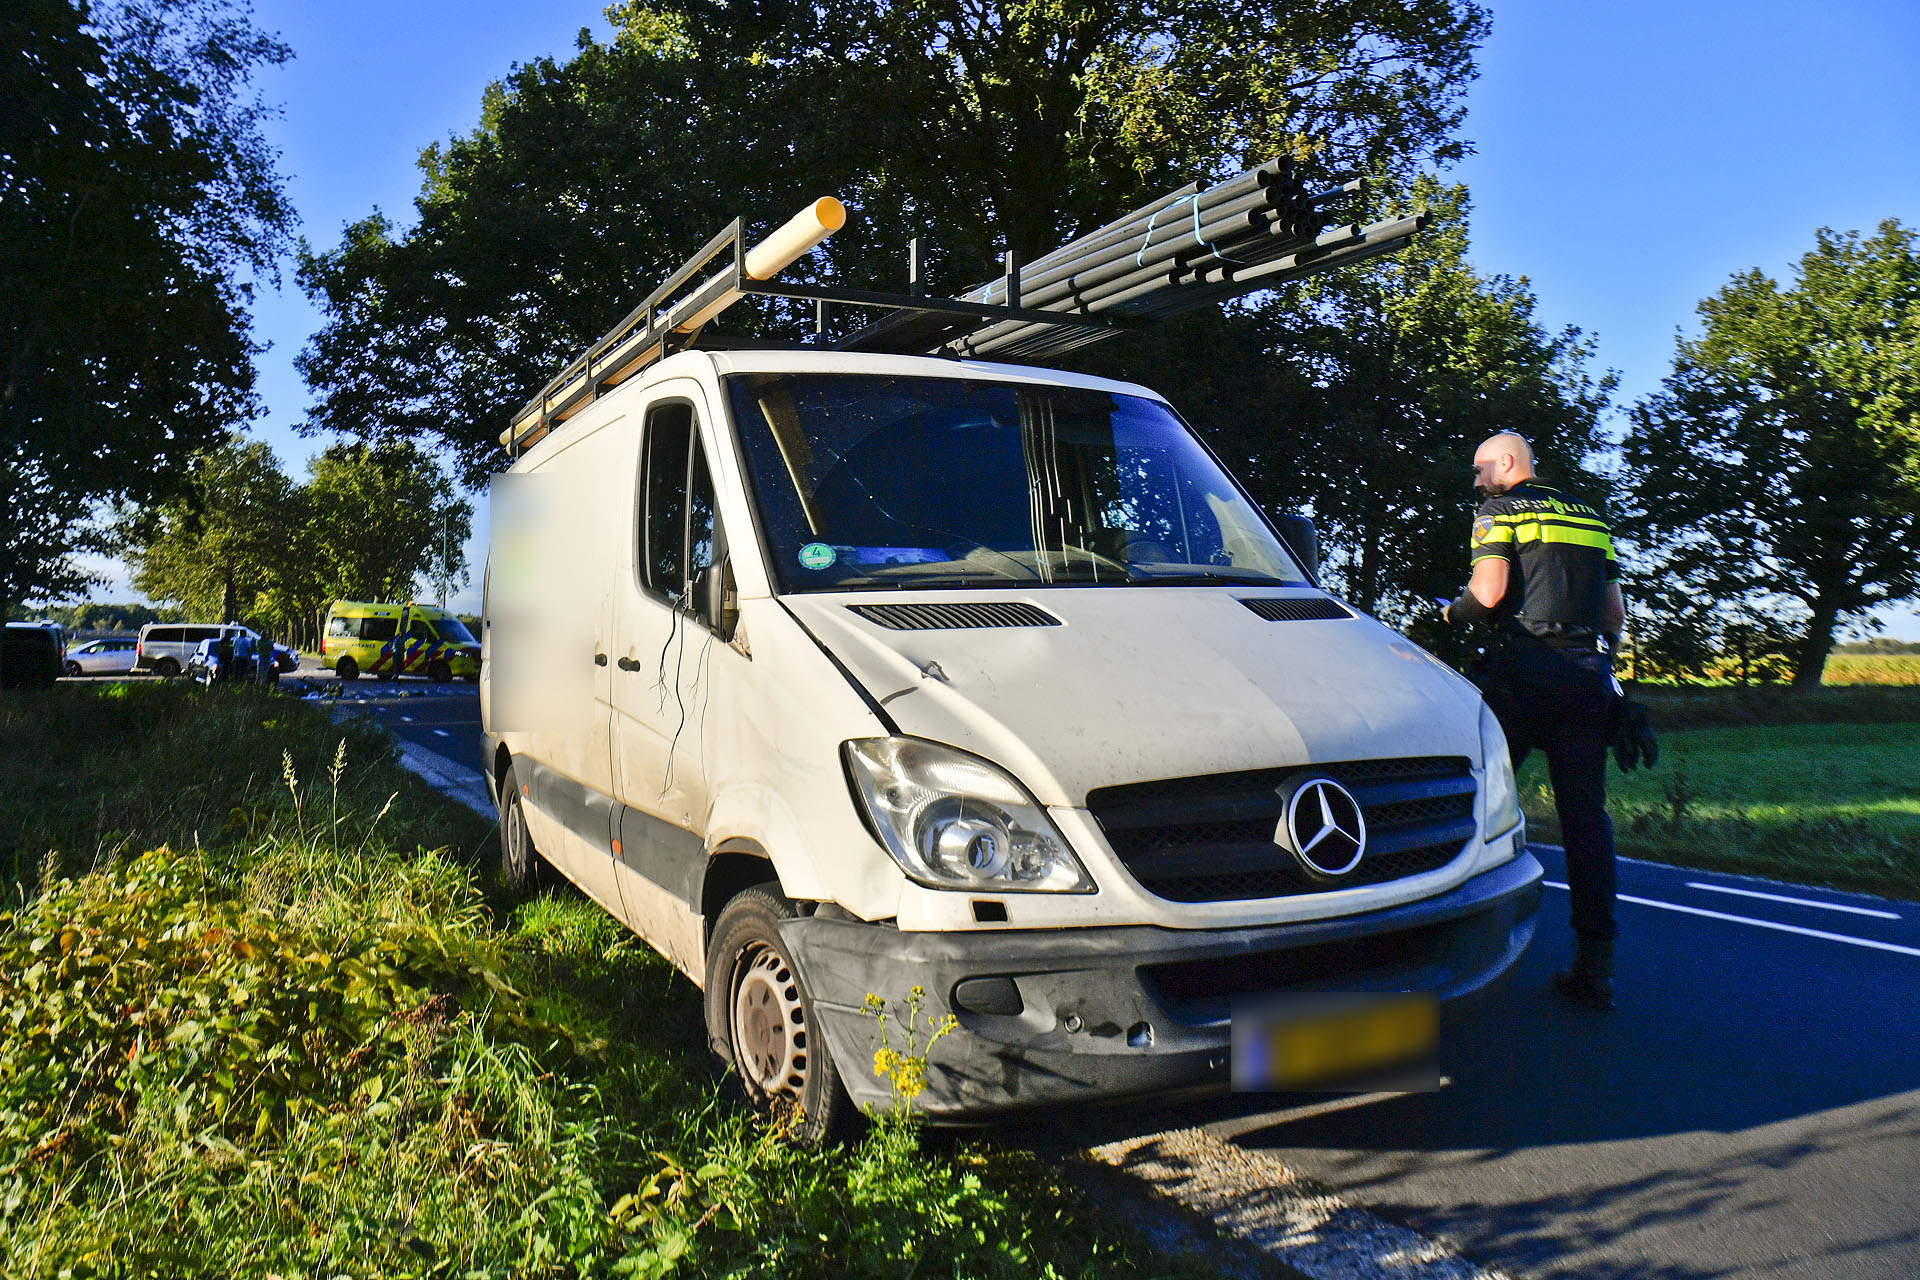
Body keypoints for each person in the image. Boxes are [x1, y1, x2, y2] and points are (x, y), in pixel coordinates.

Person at [1444, 432, 1625, 1010]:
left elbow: (1490, 592)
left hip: (1523, 675)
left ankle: (1443, 950)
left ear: (1505, 462)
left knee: (1473, 805)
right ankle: (1594, 966)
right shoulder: (1592, 517)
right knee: (1586, 821)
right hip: (1585, 677)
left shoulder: (1497, 512)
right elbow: (1614, 613)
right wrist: (1602, 668)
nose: (1475, 481)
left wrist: (1452, 612)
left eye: (1479, 469)